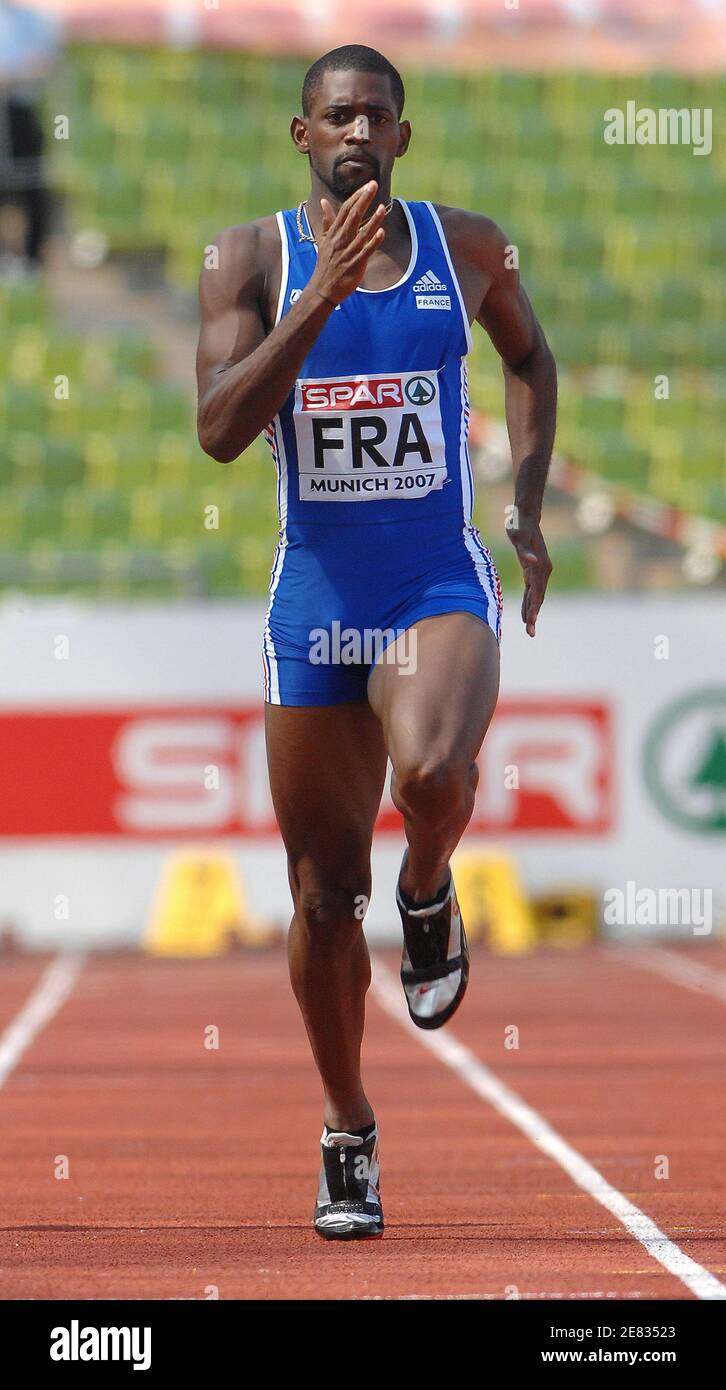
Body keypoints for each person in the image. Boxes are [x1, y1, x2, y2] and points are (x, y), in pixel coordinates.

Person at [196, 44, 556, 1240]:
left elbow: (529, 357)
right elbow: (217, 427)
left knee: (436, 773)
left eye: (377, 115)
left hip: (429, 579)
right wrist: (322, 296)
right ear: (302, 135)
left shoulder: (467, 246)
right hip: (315, 595)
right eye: (336, 114)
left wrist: (526, 510)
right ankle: (349, 1128)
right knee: (317, 898)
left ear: (405, 134)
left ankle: (431, 885)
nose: (357, 129)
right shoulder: (249, 259)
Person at [0, 0, 61, 277]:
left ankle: (32, 264)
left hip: (20, 113)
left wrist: (12, 76)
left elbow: (46, 63)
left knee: (33, 186)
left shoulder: (34, 20)